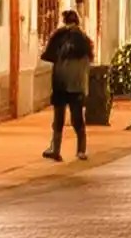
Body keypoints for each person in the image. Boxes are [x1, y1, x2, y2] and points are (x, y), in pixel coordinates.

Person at [40, 9, 94, 161]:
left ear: (64, 21)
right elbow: (88, 61)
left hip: (61, 83)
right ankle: (81, 150)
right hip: (77, 85)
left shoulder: (59, 36)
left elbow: (48, 56)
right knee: (77, 118)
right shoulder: (84, 40)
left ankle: (56, 149)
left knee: (58, 118)